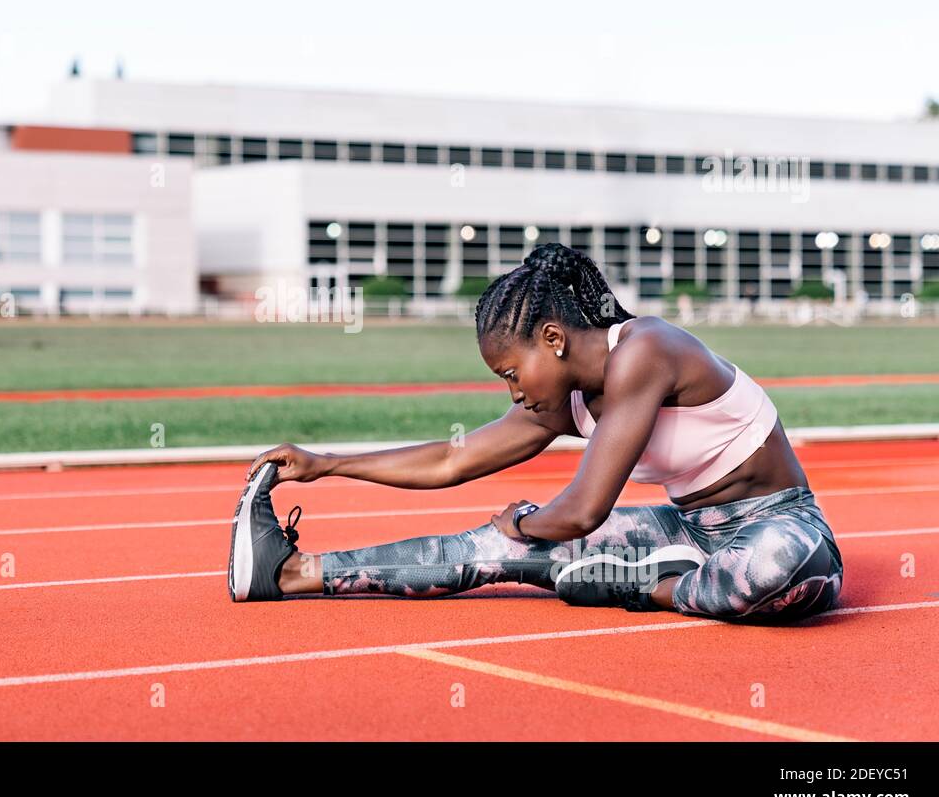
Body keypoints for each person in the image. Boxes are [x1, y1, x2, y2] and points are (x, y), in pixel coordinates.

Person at [227, 243, 843, 624]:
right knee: (488, 549)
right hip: (687, 530)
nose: (513, 391)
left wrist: (523, 523)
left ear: (553, 338)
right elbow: (449, 460)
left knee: (781, 567)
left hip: (778, 522)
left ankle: (650, 584)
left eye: (512, 372)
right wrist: (327, 463)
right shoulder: (564, 399)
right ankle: (290, 573)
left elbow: (580, 512)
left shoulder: (647, 351)